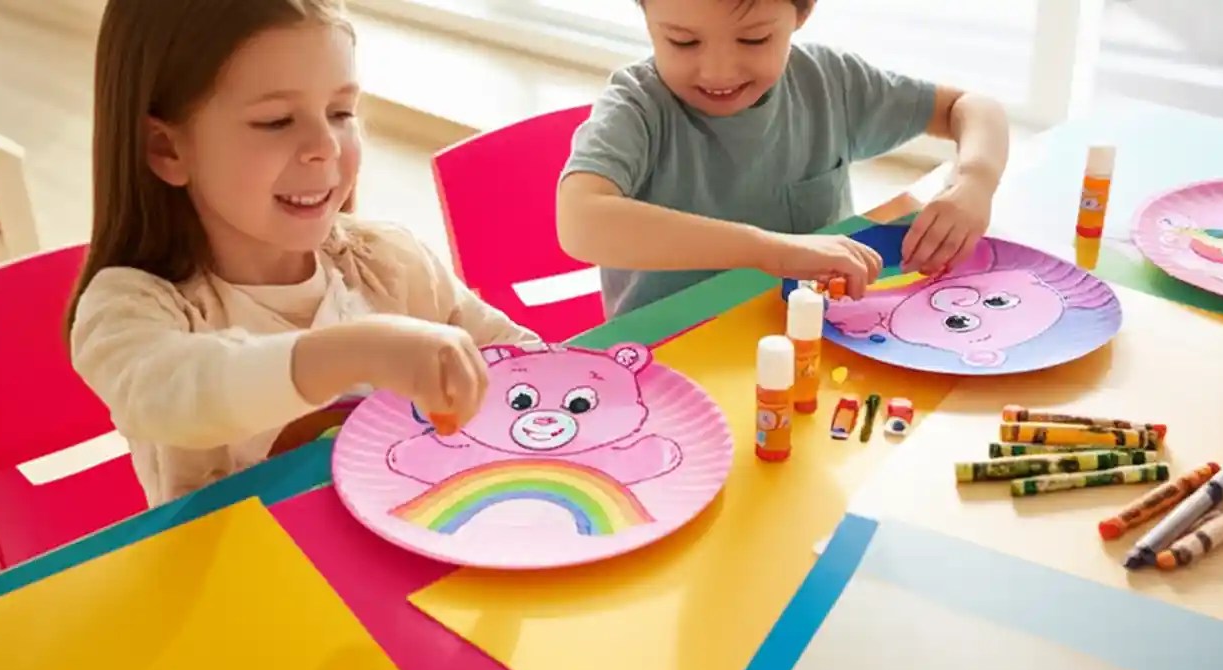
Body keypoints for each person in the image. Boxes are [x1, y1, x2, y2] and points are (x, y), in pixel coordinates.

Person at [66, 0, 536, 505]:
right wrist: (356, 351)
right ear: (167, 148)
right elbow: (174, 394)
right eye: (277, 120)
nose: (325, 145)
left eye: (340, 112)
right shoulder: (129, 309)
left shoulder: (390, 262)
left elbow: (517, 357)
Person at [557, 0, 1010, 319]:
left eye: (753, 39)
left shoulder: (828, 83)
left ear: (802, 13)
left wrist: (975, 182)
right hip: (669, 355)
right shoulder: (637, 108)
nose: (718, 71)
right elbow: (579, 222)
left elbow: (970, 106)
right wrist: (771, 252)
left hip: (817, 332)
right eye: (683, 42)